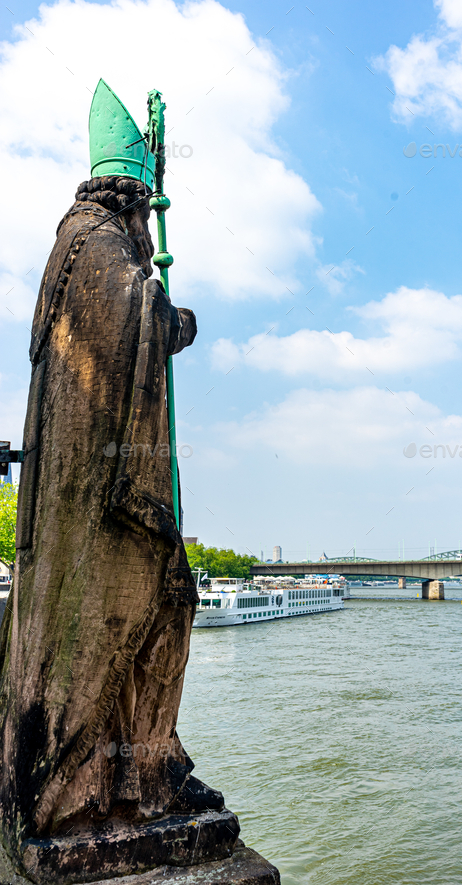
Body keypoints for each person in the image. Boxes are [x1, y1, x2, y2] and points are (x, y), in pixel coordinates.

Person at [0, 82, 221, 863]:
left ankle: (143, 770)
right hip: (107, 505)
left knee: (159, 614)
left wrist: (156, 314)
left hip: (89, 497)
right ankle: (103, 786)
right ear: (133, 198)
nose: (146, 217)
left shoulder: (73, 246)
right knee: (154, 614)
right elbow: (133, 321)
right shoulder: (97, 246)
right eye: (147, 203)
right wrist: (174, 318)